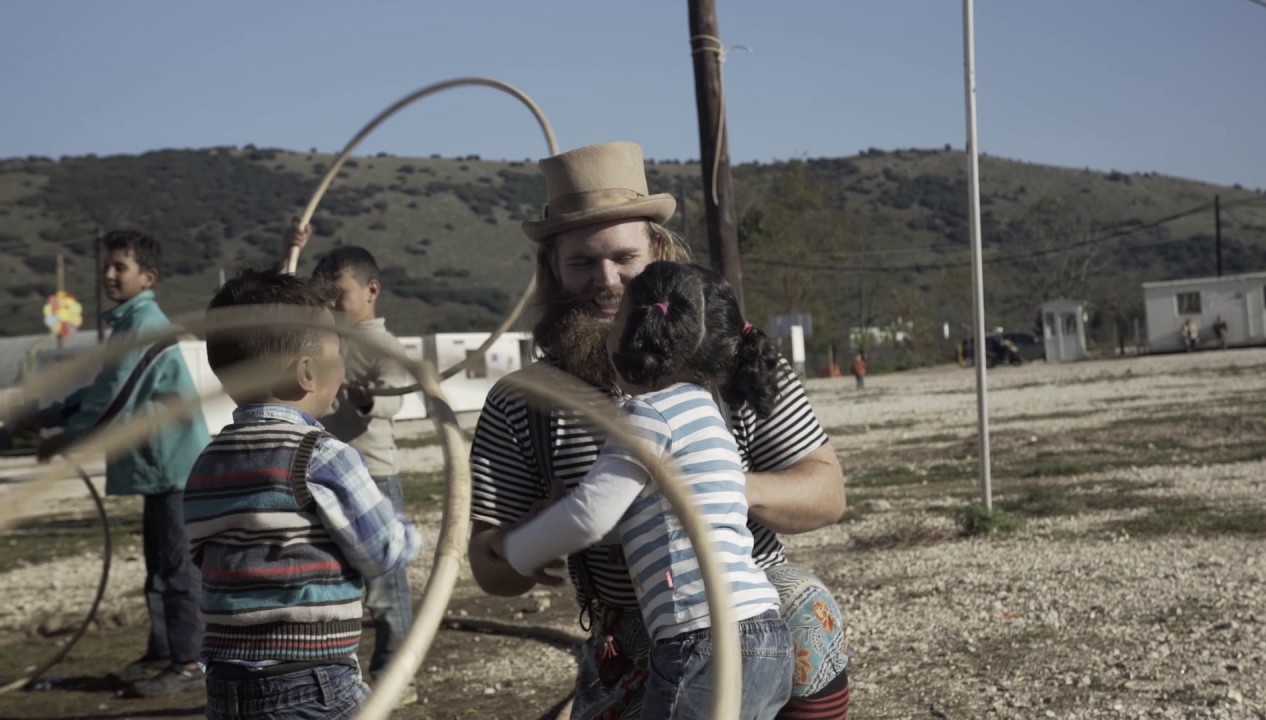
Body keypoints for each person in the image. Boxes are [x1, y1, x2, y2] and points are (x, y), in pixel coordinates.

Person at [469, 141, 850, 720]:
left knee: (803, 602)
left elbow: (827, 493)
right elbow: (490, 569)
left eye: (624, 258)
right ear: (551, 268)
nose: (606, 281)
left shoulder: (734, 361)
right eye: (581, 263)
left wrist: (711, 484)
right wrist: (525, 541)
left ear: (661, 252)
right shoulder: (522, 402)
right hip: (630, 632)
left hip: (743, 609)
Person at [495, 261, 794, 719]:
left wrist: (518, 548)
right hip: (763, 632)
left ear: (632, 337)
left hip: (702, 638)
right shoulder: (706, 411)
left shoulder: (645, 417)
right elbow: (647, 518)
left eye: (616, 322)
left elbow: (590, 515)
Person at [186, 269, 422, 720]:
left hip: (225, 684)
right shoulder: (323, 455)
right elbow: (384, 550)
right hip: (310, 679)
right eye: (337, 352)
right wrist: (412, 535)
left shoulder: (208, 460)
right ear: (308, 373)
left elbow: (202, 553)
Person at [22, 230, 210, 697]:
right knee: (159, 567)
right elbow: (106, 389)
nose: (107, 275)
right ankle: (164, 652)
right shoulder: (129, 323)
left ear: (147, 277)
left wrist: (64, 440)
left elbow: (115, 402)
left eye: (118, 267)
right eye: (105, 266)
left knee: (176, 570)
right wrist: (53, 412)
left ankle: (188, 661)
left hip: (174, 466)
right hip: (159, 465)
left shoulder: (144, 324)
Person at [280, 228, 417, 703]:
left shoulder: (385, 345)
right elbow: (279, 305)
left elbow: (395, 399)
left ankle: (395, 677)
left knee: (386, 580)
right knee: (336, 577)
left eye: (338, 295)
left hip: (373, 471)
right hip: (322, 473)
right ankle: (345, 675)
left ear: (371, 290)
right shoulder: (321, 339)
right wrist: (290, 252)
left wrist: (368, 403)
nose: (331, 306)